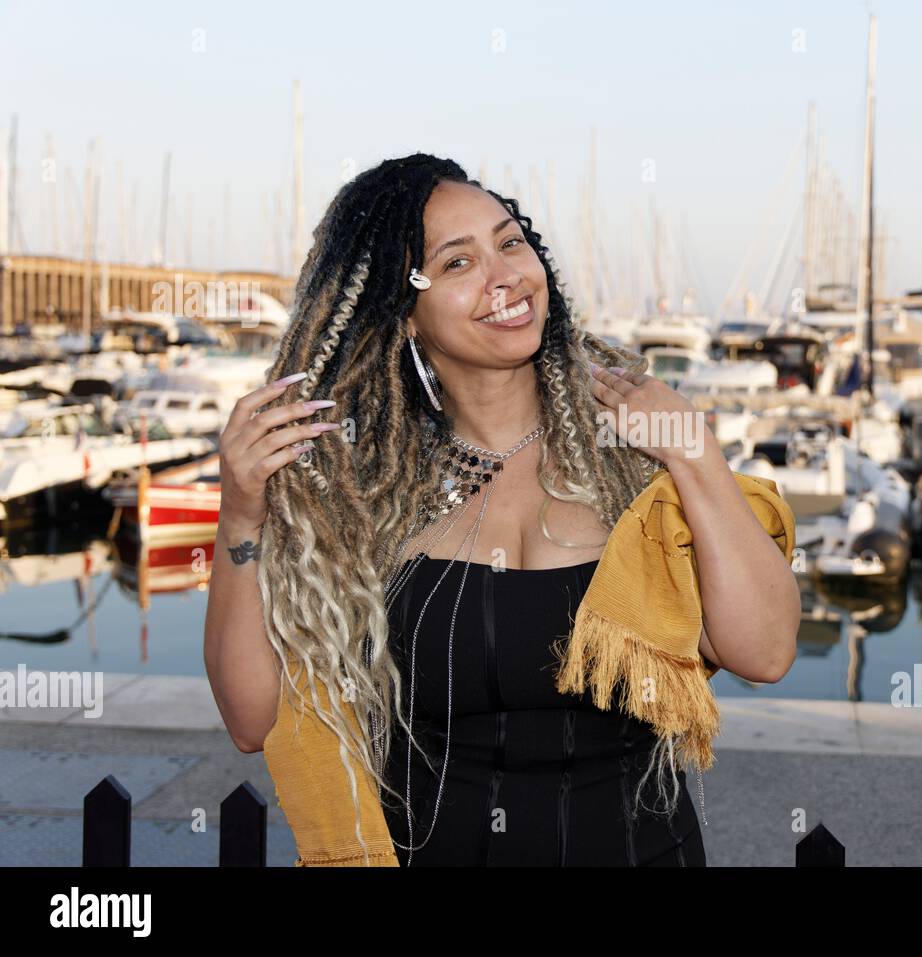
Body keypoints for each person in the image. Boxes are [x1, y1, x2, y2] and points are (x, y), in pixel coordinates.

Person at [203, 153, 802, 866]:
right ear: (405, 318)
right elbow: (252, 718)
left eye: (510, 241)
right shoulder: (359, 499)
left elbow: (764, 652)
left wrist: (696, 457)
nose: (505, 275)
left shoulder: (636, 463)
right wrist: (240, 516)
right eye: (457, 263)